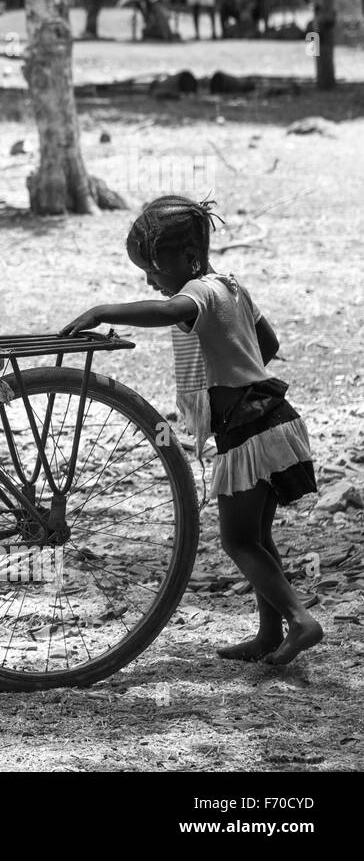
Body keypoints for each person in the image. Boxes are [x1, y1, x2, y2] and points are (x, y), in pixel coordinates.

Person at [59, 196, 321, 666]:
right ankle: (268, 633)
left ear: (188, 259)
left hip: (248, 433)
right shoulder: (231, 286)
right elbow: (271, 342)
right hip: (272, 417)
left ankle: (301, 619)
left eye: (153, 269)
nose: (149, 280)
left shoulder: (199, 292)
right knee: (257, 537)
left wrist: (102, 311)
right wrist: (237, 360)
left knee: (237, 541)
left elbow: (168, 311)